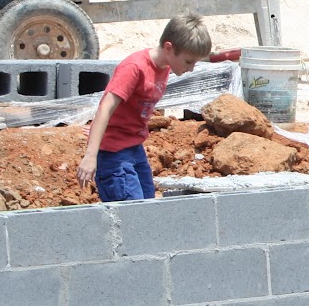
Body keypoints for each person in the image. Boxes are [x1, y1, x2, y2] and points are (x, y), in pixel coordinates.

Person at [76, 12, 211, 202]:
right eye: (189, 61)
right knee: (133, 215)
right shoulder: (134, 68)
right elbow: (105, 107)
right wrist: (91, 155)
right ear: (168, 47)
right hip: (113, 154)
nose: (191, 68)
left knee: (147, 207)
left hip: (134, 148)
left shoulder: (163, 67)